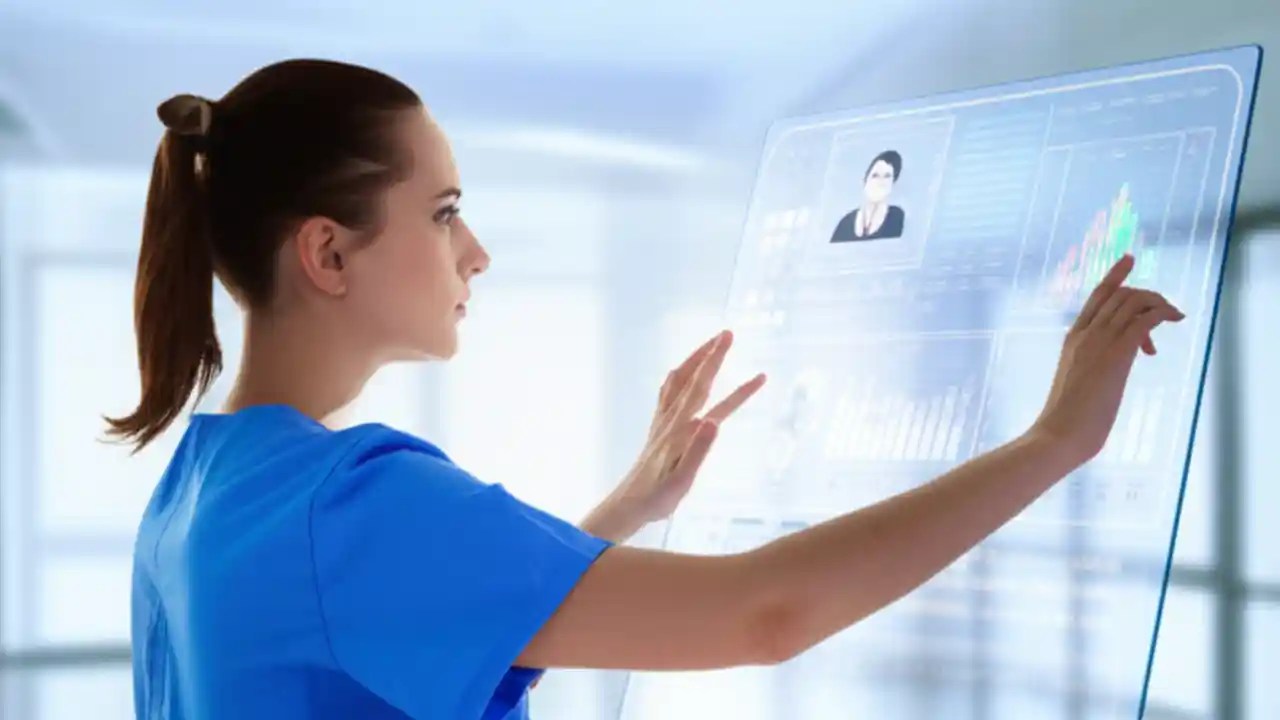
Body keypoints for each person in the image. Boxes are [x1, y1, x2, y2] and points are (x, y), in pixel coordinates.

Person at [107, 59, 1183, 720]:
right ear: (328, 256)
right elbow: (764, 614)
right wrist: (1051, 441)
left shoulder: (204, 490)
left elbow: (396, 621)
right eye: (442, 213)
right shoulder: (353, 505)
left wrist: (625, 510)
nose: (474, 252)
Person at [830, 149, 906, 243]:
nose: (880, 182)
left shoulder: (896, 216)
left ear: (893, 183)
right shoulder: (845, 223)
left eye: (887, 176)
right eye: (875, 176)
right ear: (865, 181)